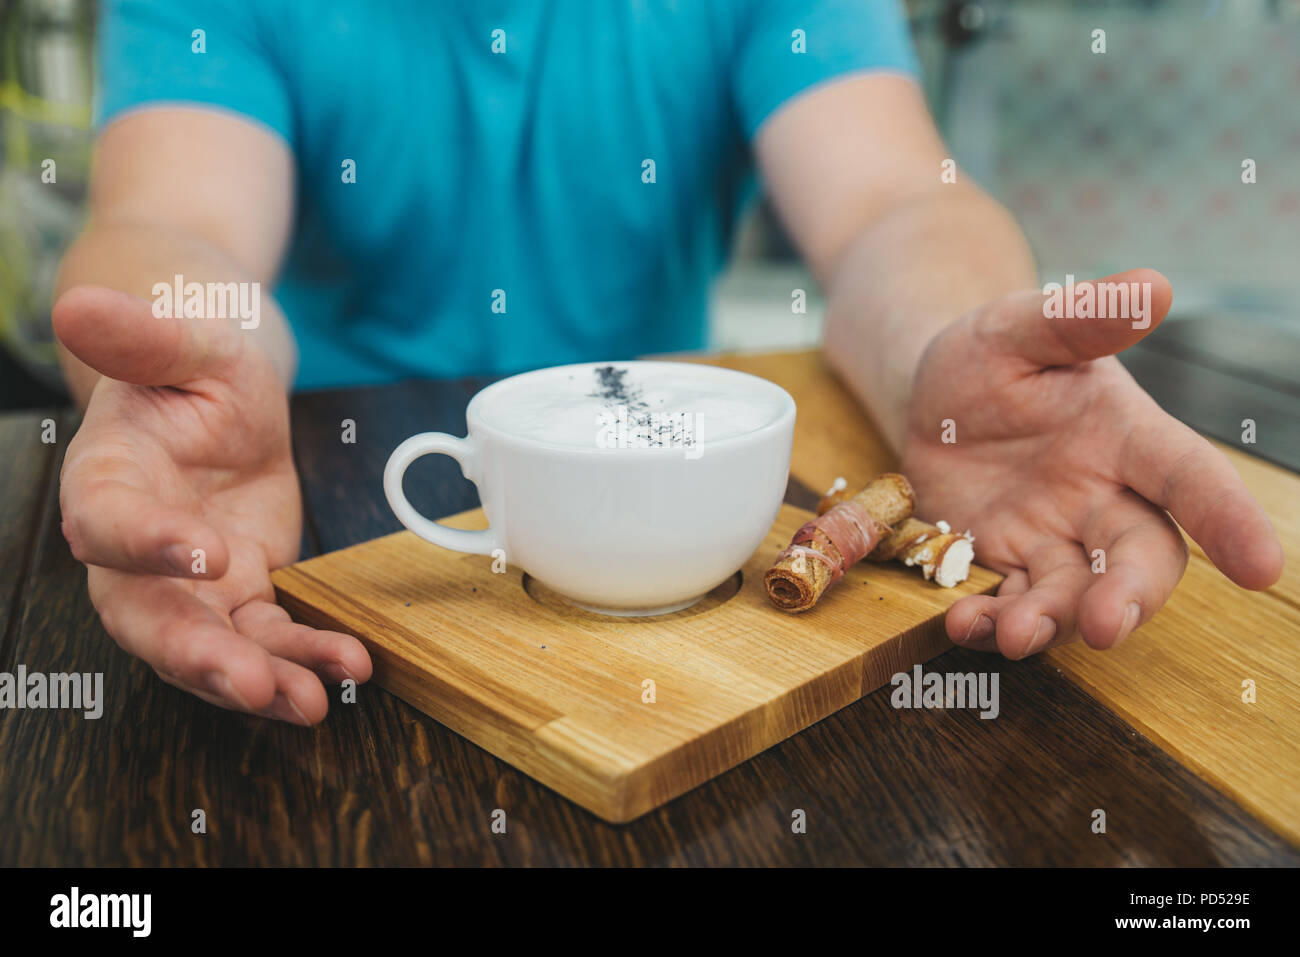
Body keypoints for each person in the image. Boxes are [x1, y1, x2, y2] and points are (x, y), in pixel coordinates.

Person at [52, 0, 1284, 725]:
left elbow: (895, 203)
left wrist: (948, 357)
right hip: (319, 504)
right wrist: (174, 363)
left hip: (662, 477)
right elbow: (182, 227)